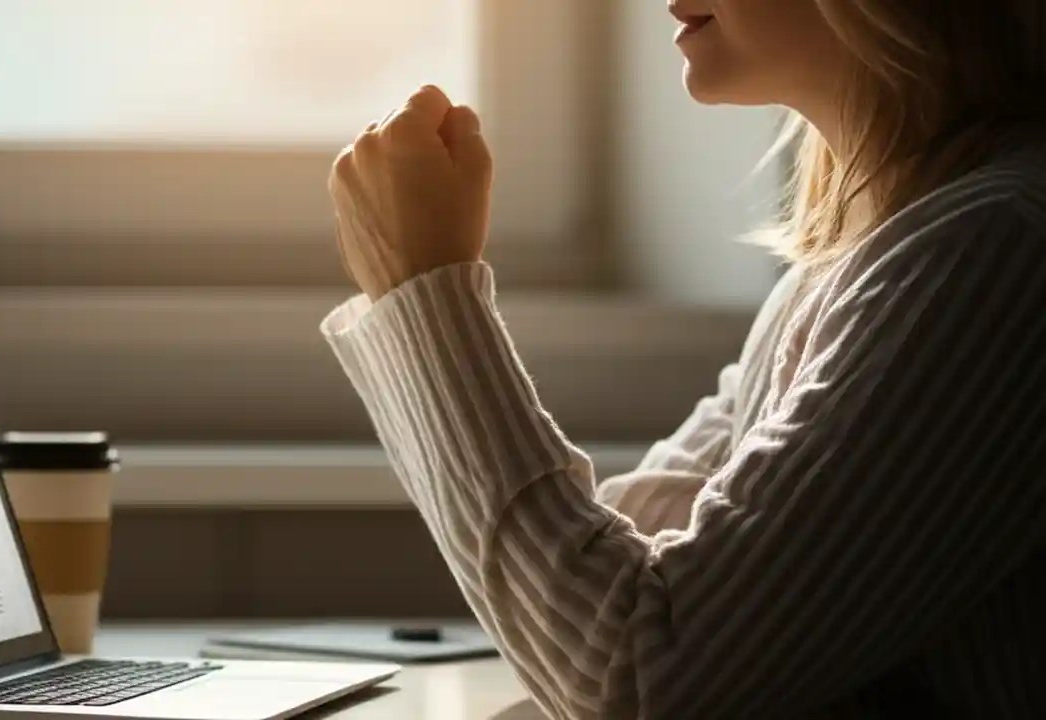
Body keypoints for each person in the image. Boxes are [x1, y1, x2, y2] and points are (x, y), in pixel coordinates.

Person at [321, 1, 1046, 718]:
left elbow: (634, 673)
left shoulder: (994, 255)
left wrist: (425, 295)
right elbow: (623, 571)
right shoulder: (850, 270)